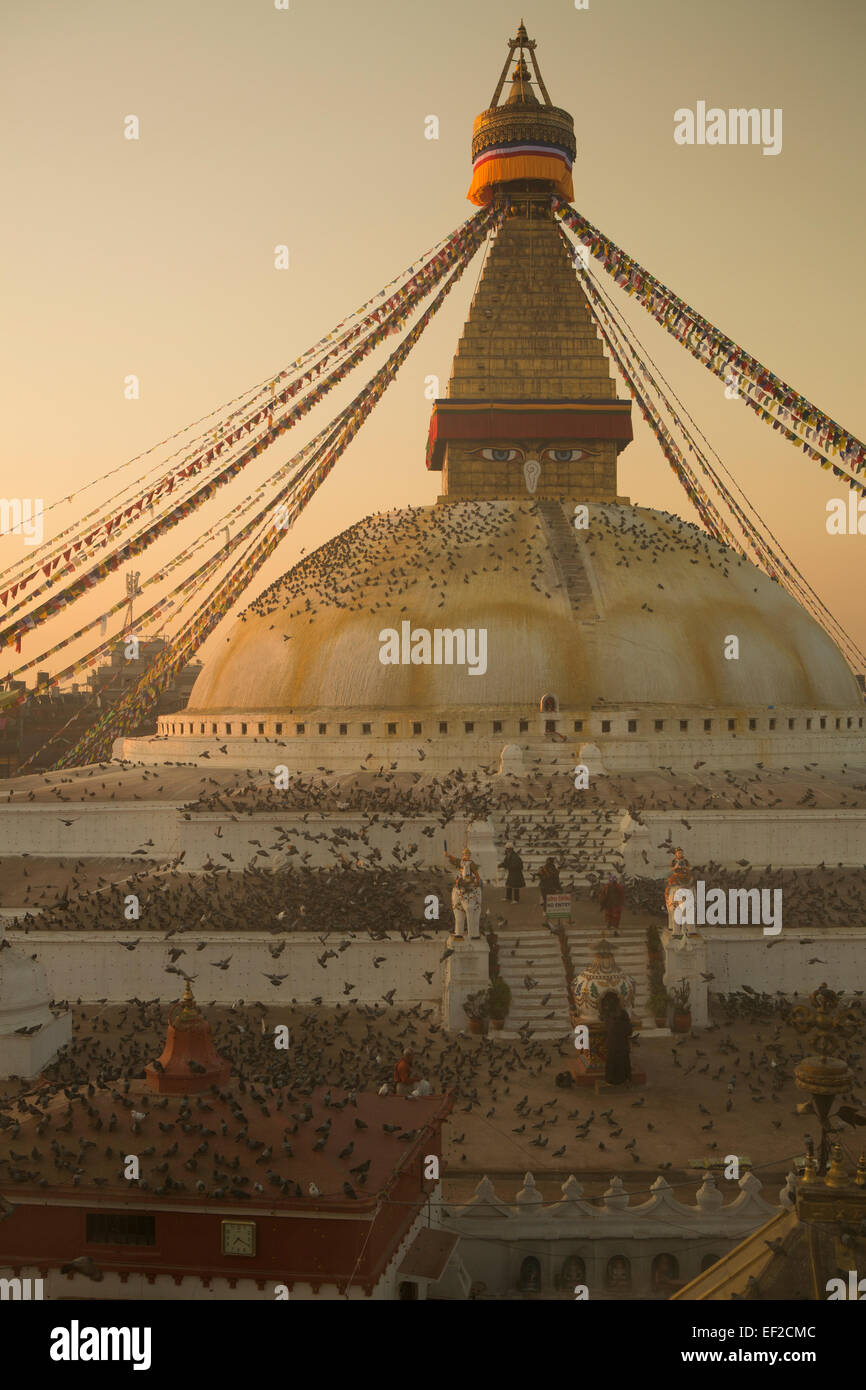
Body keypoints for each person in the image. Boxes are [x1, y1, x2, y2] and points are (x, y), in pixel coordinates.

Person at [444, 847, 483, 939]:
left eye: (468, 855)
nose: (466, 856)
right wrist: (448, 855)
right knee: (459, 915)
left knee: (472, 911)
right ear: (463, 855)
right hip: (461, 888)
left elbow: (476, 873)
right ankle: (458, 932)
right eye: (465, 855)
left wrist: (478, 881)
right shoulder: (461, 862)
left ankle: (474, 933)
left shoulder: (471, 863)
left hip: (471, 889)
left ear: (469, 855)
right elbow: (454, 860)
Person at [604, 1002, 633, 1086]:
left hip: (611, 1047)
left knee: (611, 1064)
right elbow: (629, 1032)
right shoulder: (625, 1024)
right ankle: (623, 1079)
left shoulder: (610, 1022)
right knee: (623, 1063)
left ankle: (610, 1080)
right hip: (623, 1047)